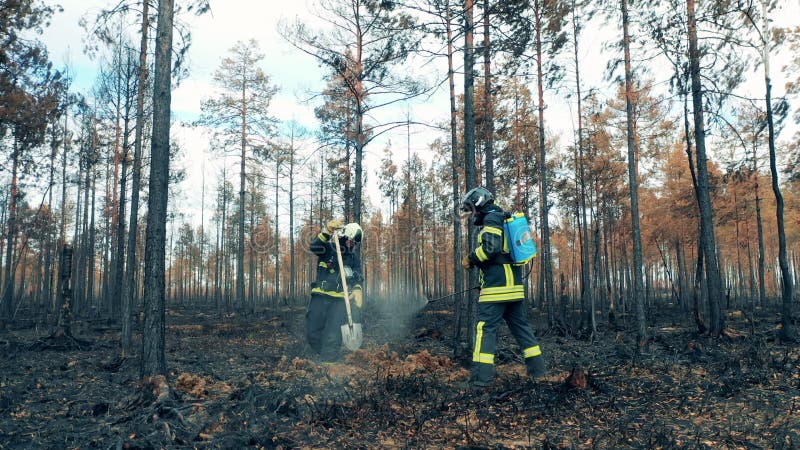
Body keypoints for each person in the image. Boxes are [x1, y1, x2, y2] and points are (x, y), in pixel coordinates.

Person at [461, 186, 546, 386]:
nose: (471, 213)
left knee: (485, 329)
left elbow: (490, 249)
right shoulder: (503, 218)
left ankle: (481, 379)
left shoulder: (491, 219)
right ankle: (538, 371)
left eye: (471, 209)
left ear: (479, 204)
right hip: (514, 287)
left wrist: (471, 259)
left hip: (497, 289)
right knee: (522, 328)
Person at [306, 219, 364, 362]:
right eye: (350, 240)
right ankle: (323, 354)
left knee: (333, 335)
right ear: (344, 236)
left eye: (355, 243)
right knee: (312, 332)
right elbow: (314, 247)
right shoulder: (328, 248)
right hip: (320, 296)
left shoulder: (353, 259)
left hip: (339, 301)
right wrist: (327, 232)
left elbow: (358, 276)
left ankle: (328, 364)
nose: (352, 244)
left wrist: (357, 288)